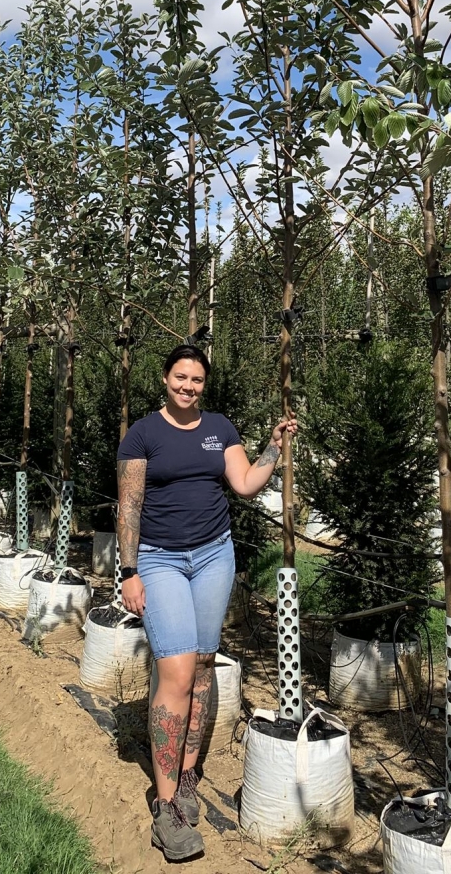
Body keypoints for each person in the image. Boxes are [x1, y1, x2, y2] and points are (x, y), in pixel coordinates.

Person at [116, 343, 297, 862]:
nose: (188, 386)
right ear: (165, 378)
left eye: (196, 380)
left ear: (204, 385)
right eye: (180, 377)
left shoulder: (219, 428)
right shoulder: (142, 435)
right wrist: (129, 572)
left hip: (215, 556)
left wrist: (273, 449)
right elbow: (129, 506)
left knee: (199, 668)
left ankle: (187, 777)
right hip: (160, 560)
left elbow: (244, 484)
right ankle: (166, 805)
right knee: (174, 673)